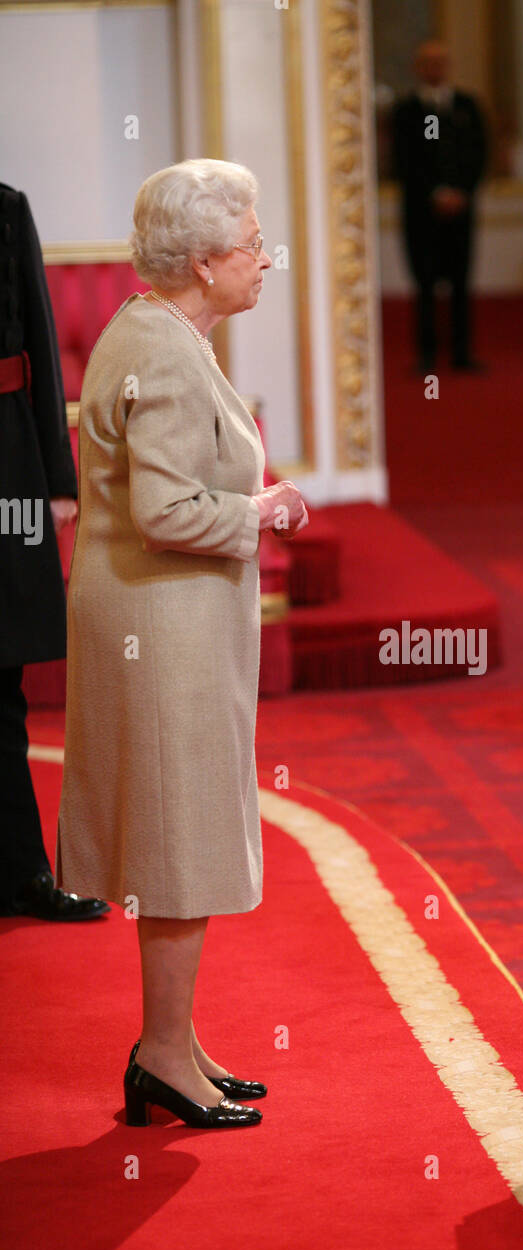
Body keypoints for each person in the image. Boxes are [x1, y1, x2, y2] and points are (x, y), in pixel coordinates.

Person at [55, 159, 308, 1129]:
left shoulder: (163, 331)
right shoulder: (159, 348)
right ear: (204, 263)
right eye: (252, 246)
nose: (264, 261)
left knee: (181, 827)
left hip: (168, 618)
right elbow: (165, 510)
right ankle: (161, 1053)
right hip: (158, 628)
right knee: (177, 835)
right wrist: (262, 507)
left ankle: (178, 1041)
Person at [0, 182, 108, 924]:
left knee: (4, 678)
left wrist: (57, 481)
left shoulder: (6, 208)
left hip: (5, 466)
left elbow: (39, 343)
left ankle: (23, 873)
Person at [391, 38, 487, 372]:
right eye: (428, 62)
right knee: (425, 283)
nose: (435, 68)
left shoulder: (467, 106)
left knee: (461, 282)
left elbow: (479, 154)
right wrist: (433, 194)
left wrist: (460, 192)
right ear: (419, 68)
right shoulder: (405, 111)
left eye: (440, 61)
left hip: (461, 212)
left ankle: (461, 354)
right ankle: (427, 356)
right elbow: (402, 161)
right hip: (422, 214)